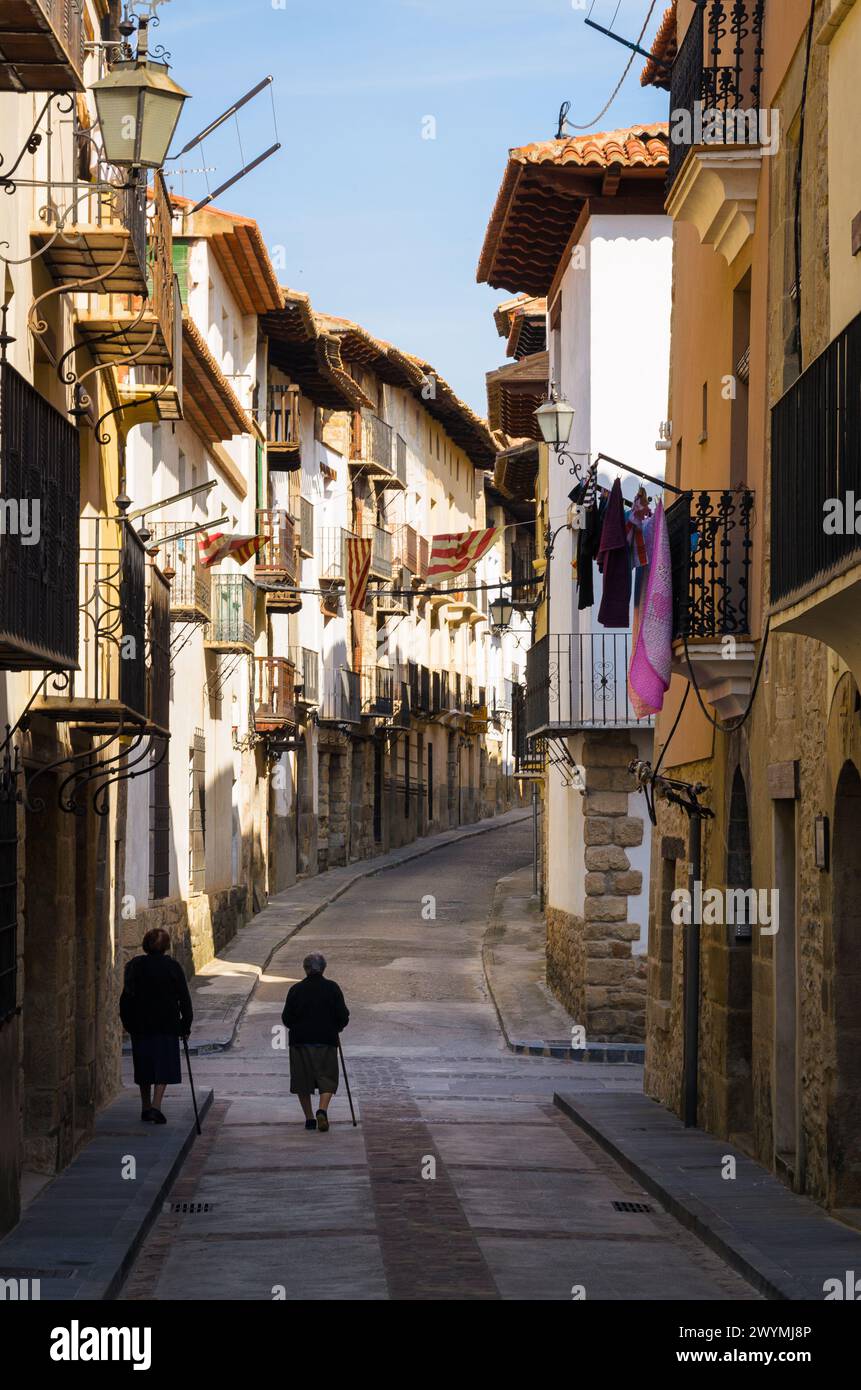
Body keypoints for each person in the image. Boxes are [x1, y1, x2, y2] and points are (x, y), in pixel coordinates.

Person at [120, 927, 193, 1125]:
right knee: (163, 1064)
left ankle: (145, 1106)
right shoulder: (172, 967)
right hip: (166, 1024)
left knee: (143, 1064)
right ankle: (156, 1106)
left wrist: (127, 1022)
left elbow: (126, 998)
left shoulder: (135, 966)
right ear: (166, 946)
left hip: (140, 1025)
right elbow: (184, 999)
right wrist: (185, 1025)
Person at [282, 953, 349, 1131]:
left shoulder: (295, 989)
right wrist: (338, 1027)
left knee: (302, 1080)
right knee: (327, 1078)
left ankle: (310, 1119)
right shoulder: (332, 988)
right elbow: (343, 1015)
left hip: (300, 1042)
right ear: (323, 968)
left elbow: (286, 1018)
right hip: (326, 1040)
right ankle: (322, 1110)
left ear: (305, 969)